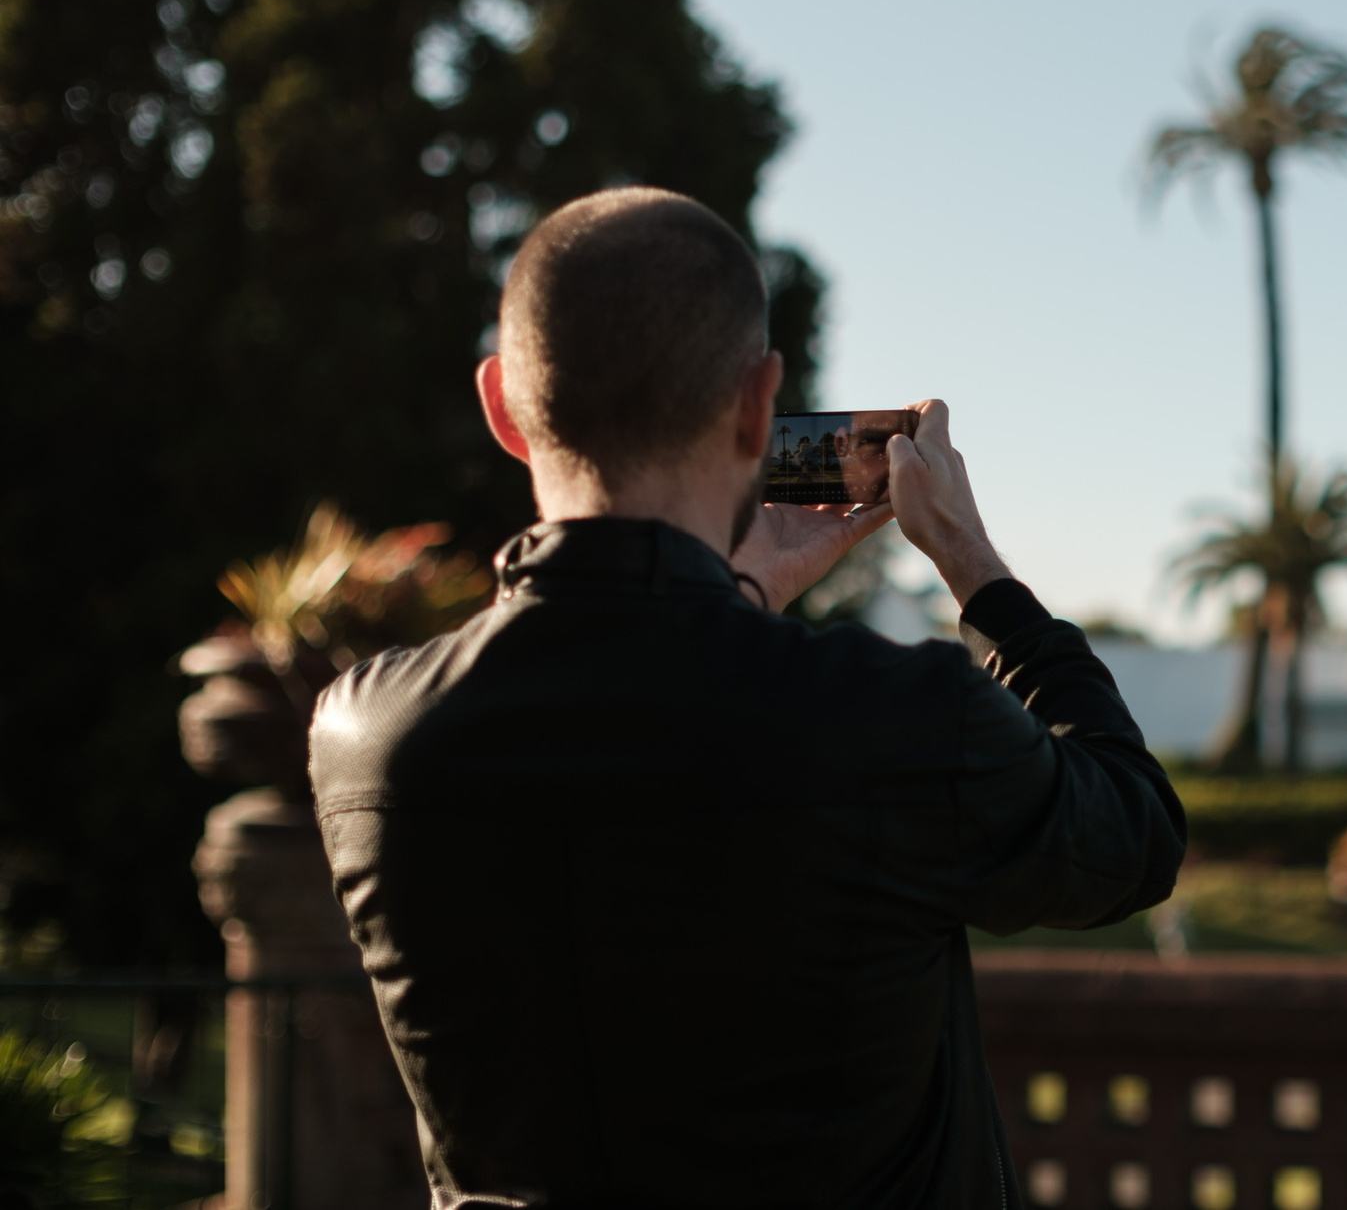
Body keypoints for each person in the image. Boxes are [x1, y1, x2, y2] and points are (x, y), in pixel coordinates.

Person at [308, 187, 1186, 1209]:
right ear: (757, 402)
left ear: (503, 405)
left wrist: (732, 598)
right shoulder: (889, 718)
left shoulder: (363, 733)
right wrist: (972, 565)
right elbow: (1130, 834)